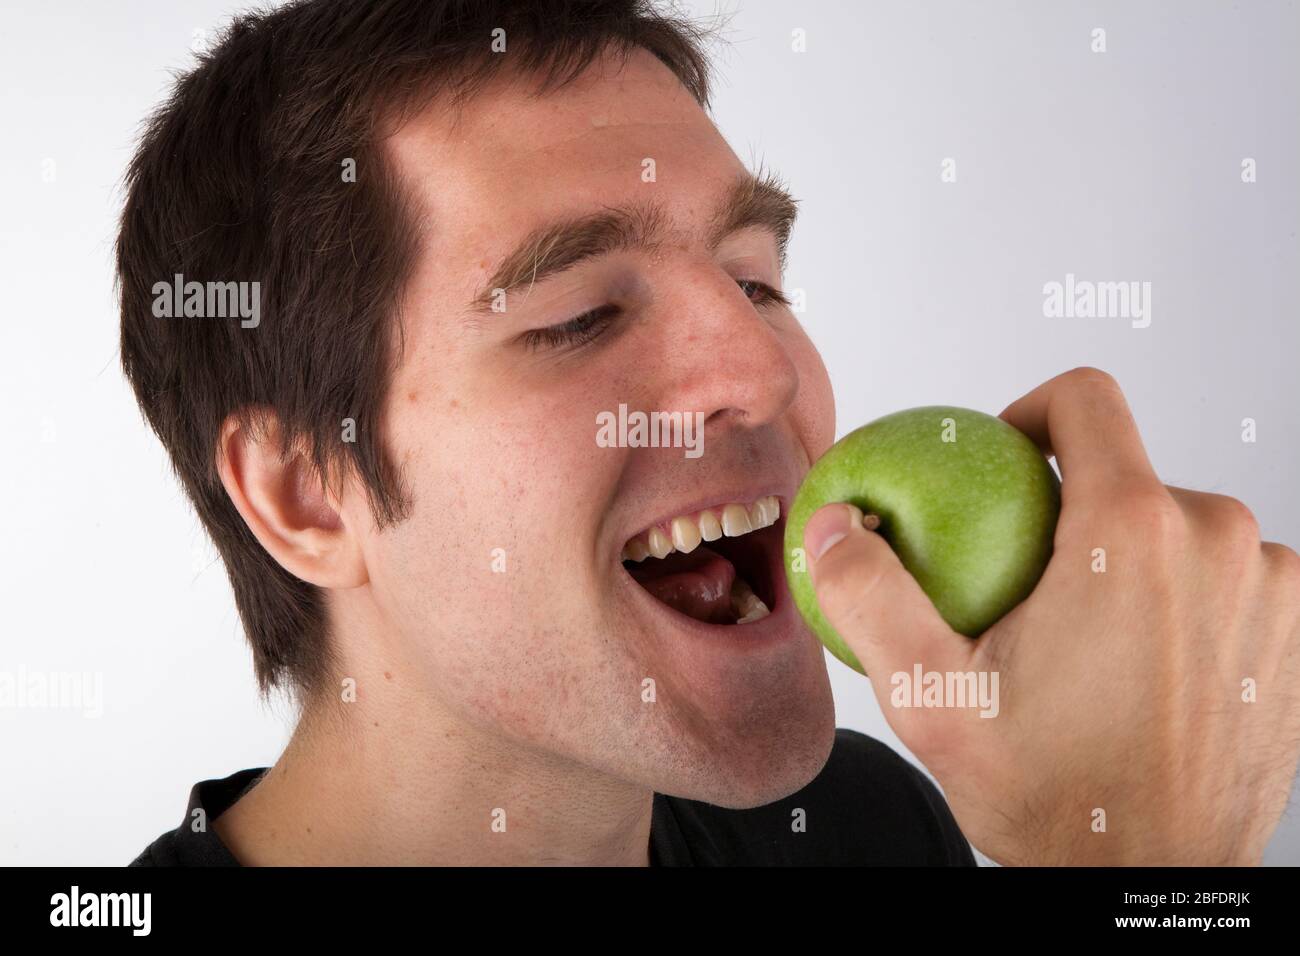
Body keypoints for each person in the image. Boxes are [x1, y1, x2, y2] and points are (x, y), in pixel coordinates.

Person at [119, 0, 1300, 866]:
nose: (761, 371)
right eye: (580, 316)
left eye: (756, 281)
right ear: (306, 493)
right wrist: (1152, 868)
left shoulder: (862, 829)